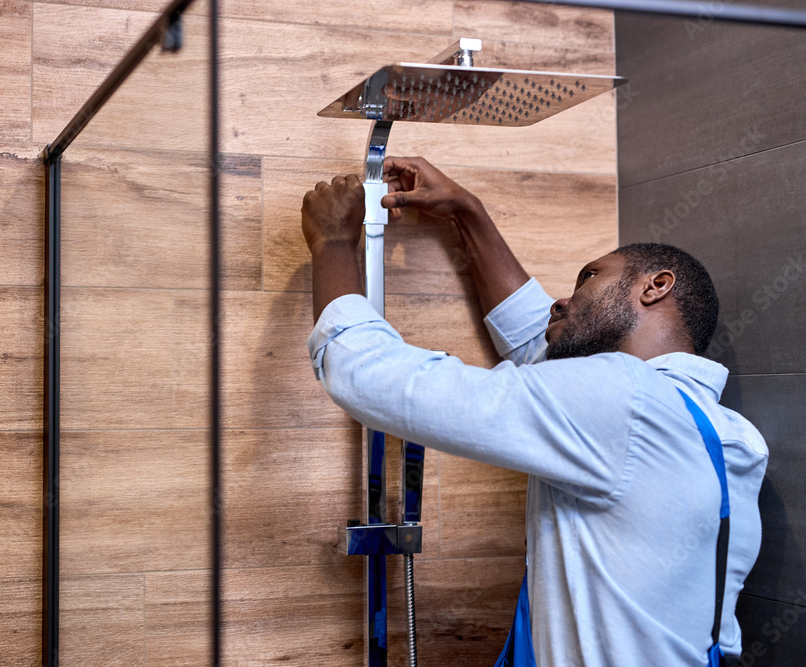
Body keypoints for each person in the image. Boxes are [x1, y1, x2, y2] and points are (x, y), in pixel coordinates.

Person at [301, 157, 768, 667]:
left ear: (654, 286)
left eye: (589, 277)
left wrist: (333, 244)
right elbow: (537, 343)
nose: (560, 301)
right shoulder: (721, 435)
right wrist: (466, 212)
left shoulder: (622, 401)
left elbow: (368, 375)